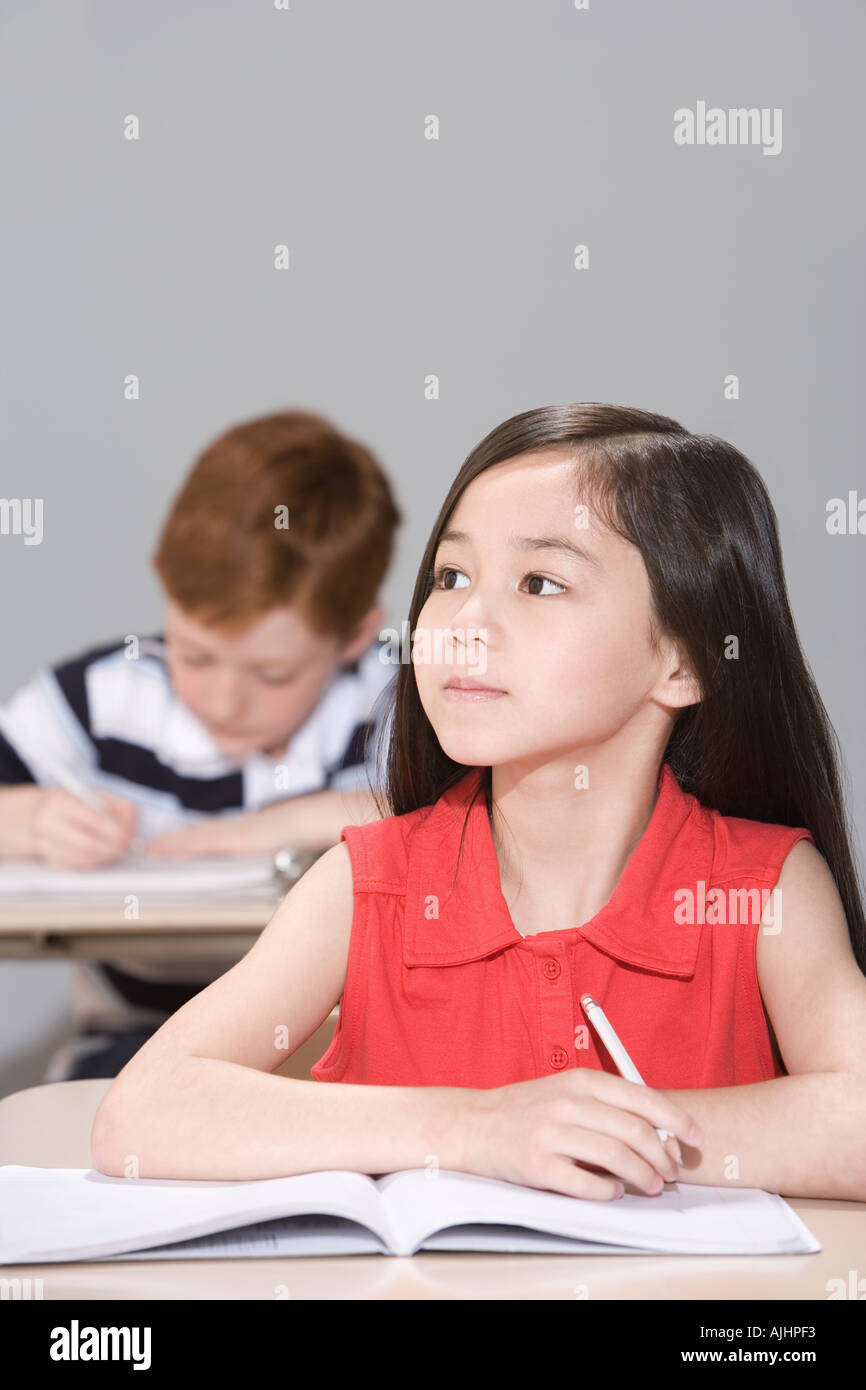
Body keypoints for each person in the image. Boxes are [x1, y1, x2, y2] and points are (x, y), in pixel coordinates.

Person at [91, 402, 866, 1202]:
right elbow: (142, 1114)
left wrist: (586, 1134)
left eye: (540, 583)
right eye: (451, 577)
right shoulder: (363, 889)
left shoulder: (763, 890)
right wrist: (479, 1130)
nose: (464, 623)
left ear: (683, 661)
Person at [0, 409, 401, 1079]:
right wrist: (35, 821)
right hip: (135, 1051)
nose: (223, 702)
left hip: (349, 1056)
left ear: (355, 637)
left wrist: (283, 825)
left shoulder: (405, 701)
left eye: (272, 675)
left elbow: (488, 822)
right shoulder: (98, 702)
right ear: (164, 585)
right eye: (197, 656)